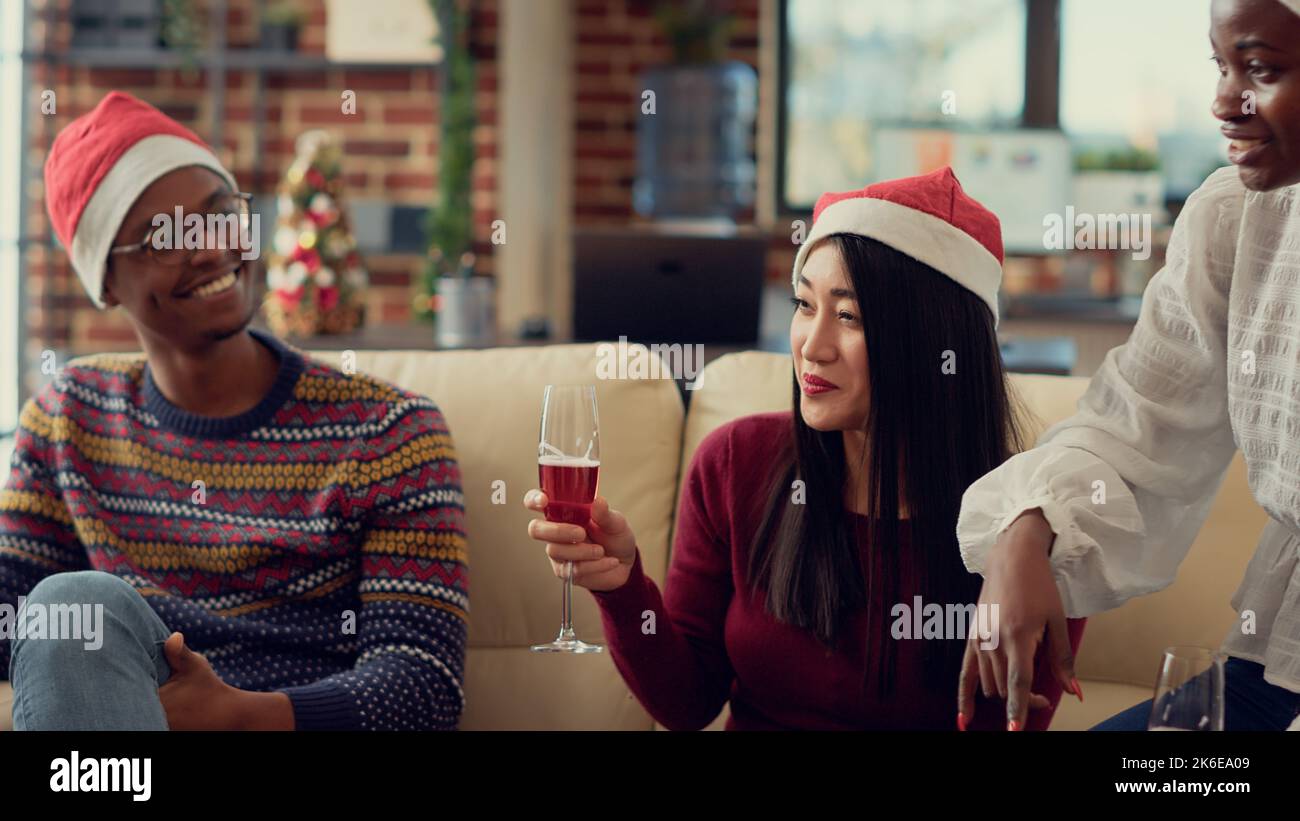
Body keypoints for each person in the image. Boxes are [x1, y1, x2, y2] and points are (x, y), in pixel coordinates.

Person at [524, 168, 1085, 730]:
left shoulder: (1034, 529)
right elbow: (687, 703)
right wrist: (622, 587)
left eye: (848, 316)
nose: (811, 348)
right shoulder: (734, 463)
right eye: (804, 304)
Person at [0, 91, 468, 731]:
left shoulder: (389, 432)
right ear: (106, 282)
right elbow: (11, 619)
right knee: (72, 607)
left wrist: (240, 716)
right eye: (164, 237)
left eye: (219, 215)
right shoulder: (66, 417)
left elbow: (424, 686)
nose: (210, 248)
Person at [956, 0, 1300, 732]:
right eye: (1222, 65)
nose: (1222, 101)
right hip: (1277, 661)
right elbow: (1140, 426)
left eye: (1261, 69)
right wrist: (1029, 525)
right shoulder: (1235, 220)